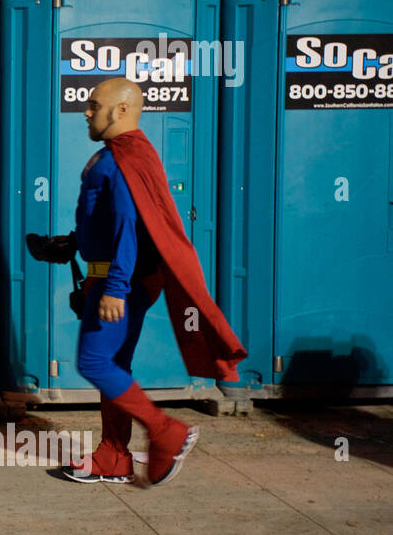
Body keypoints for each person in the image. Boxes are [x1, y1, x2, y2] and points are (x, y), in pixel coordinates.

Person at [34, 77, 245, 486]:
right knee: (114, 365)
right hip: (122, 278)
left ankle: (166, 430)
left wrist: (114, 286)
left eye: (95, 105)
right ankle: (113, 456)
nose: (87, 112)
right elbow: (110, 220)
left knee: (94, 362)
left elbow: (131, 224)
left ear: (122, 110)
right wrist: (72, 243)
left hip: (121, 283)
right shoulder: (120, 156)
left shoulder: (123, 159)